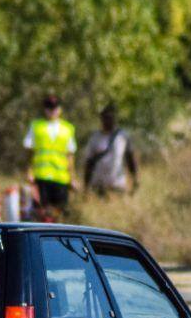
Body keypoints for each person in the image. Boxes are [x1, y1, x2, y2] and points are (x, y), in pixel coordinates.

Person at [24, 94, 78, 222]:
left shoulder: (67, 128)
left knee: (59, 214)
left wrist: (72, 178)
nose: (52, 110)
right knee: (42, 214)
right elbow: (29, 152)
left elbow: (70, 155)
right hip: (41, 178)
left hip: (61, 179)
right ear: (44, 108)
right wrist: (29, 172)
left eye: (54, 106)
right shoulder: (36, 126)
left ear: (60, 109)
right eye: (49, 106)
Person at [82, 103, 138, 194]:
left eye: (110, 117)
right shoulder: (95, 138)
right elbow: (89, 163)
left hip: (117, 185)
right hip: (98, 185)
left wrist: (135, 178)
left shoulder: (123, 136)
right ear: (101, 119)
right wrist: (86, 186)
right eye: (105, 117)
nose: (108, 120)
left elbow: (130, 159)